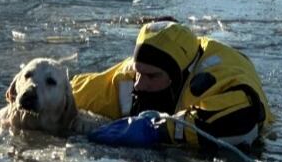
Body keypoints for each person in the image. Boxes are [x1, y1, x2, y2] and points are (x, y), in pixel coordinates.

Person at [76, 19, 272, 151]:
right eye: (139, 73)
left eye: (152, 77)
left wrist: (159, 130)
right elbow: (69, 91)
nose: (139, 85)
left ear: (179, 77)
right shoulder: (128, 76)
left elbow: (243, 119)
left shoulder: (216, 80)